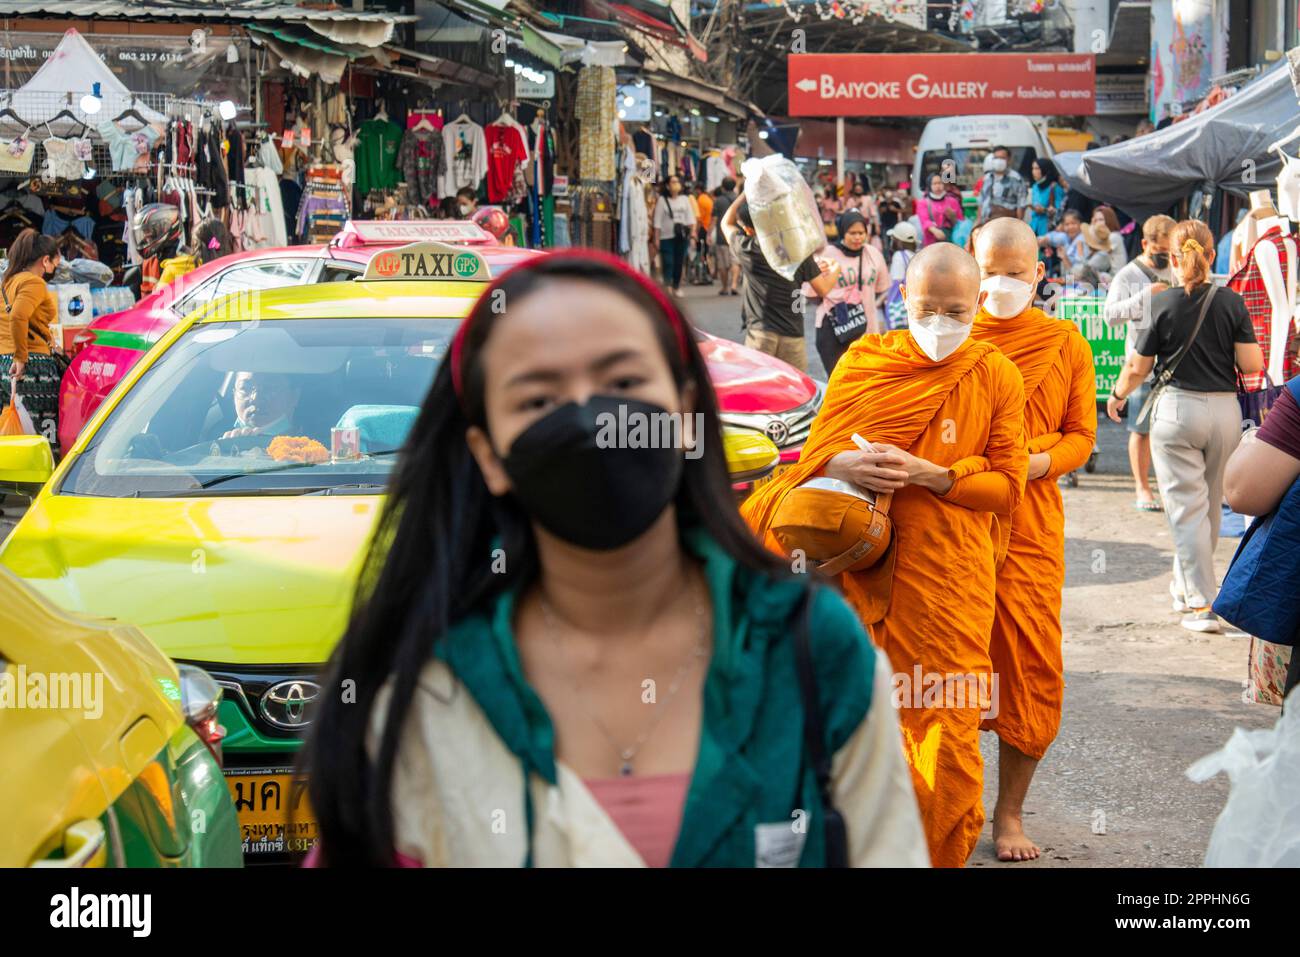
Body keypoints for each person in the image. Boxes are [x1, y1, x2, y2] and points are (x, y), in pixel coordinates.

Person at [303, 251, 930, 867]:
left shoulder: (811, 649)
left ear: (686, 414)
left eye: (625, 383)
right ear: (488, 454)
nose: (594, 420)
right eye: (538, 400)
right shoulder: (424, 688)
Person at [743, 242, 1029, 867]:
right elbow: (812, 456)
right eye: (927, 308)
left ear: (977, 305)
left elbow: (1007, 488)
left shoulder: (994, 374)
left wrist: (935, 475)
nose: (940, 324)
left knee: (945, 727)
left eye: (956, 310)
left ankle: (935, 853)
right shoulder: (864, 360)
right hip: (853, 565)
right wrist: (844, 461)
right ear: (904, 300)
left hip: (947, 581)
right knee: (856, 720)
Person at [967, 218, 1097, 862]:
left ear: (1039, 275)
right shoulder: (948, 333)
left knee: (1030, 668)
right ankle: (951, 800)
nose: (1002, 284)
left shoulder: (1064, 342)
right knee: (945, 663)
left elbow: (1082, 436)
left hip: (1029, 529)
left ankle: (1009, 813)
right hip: (955, 524)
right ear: (971, 266)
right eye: (991, 271)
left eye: (1016, 273)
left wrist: (1034, 462)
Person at [1107, 220, 1265, 633]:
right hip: (1226, 413)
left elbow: (1136, 367)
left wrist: (1118, 394)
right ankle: (1184, 587)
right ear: (1212, 256)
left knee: (1186, 510)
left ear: (1173, 260)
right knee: (1209, 507)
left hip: (1176, 413)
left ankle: (1202, 604)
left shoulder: (1161, 304)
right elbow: (1252, 365)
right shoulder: (1232, 302)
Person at [1104, 214, 1175, 511]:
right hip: (1141, 360)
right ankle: (1142, 487)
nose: (1164, 258)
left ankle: (1169, 485)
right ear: (1145, 244)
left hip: (1174, 360)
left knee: (1172, 426)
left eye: (1169, 253)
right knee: (1141, 427)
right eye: (1159, 252)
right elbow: (1110, 317)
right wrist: (1146, 296)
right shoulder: (1128, 275)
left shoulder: (1177, 267)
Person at [720, 197, 837, 371]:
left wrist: (746, 191)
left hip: (760, 333)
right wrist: (836, 269)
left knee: (760, 388)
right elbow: (823, 289)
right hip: (793, 334)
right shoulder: (799, 249)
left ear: (748, 229)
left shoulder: (749, 248)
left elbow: (725, 223)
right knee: (795, 392)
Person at [808, 209, 891, 372]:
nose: (857, 237)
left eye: (861, 232)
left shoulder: (873, 253)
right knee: (838, 379)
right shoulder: (828, 254)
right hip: (833, 328)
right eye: (852, 233)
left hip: (866, 328)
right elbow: (811, 293)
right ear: (842, 231)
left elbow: (882, 287)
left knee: (863, 380)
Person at [0, 229, 62, 447]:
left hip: (4, 364)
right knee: (44, 435)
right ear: (45, 260)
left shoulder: (8, 282)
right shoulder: (33, 282)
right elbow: (18, 315)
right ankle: (50, 478)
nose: (53, 270)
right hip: (31, 366)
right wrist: (20, 357)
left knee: (18, 435)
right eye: (54, 264)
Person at [220, 371, 301, 439]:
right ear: (234, 394)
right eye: (244, 388)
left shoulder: (309, 453)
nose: (255, 399)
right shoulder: (216, 445)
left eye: (270, 388)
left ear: (294, 397)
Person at [652, 175, 696, 299]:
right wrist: (656, 238)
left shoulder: (684, 199)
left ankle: (676, 286)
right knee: (668, 262)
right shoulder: (662, 200)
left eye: (677, 182)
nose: (676, 184)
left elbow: (690, 218)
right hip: (665, 237)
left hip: (681, 237)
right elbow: (657, 221)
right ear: (667, 185)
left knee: (679, 262)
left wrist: (693, 235)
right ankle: (668, 287)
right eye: (673, 182)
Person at [978, 145, 1028, 223]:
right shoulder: (987, 178)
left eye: (1002, 158)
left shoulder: (1016, 179)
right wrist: (978, 222)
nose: (998, 161)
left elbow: (1021, 204)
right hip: (987, 223)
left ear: (1009, 160)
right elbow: (981, 201)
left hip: (1007, 223)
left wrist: (1018, 224)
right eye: (996, 158)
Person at [916, 174, 963, 247]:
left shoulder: (952, 201)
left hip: (951, 241)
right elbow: (924, 221)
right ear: (929, 186)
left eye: (940, 183)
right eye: (934, 184)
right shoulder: (923, 203)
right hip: (932, 242)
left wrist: (953, 217)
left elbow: (960, 222)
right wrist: (934, 230)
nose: (938, 186)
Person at [711, 178, 739, 296]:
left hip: (721, 236)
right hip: (737, 235)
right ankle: (734, 285)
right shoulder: (739, 198)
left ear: (722, 187)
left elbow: (714, 219)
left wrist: (709, 233)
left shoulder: (718, 201)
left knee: (722, 263)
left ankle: (724, 287)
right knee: (735, 261)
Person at [1025, 157, 1064, 238]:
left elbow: (1061, 211)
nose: (1033, 172)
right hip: (1034, 227)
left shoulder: (1055, 187)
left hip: (1047, 229)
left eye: (1037, 169)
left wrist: (1045, 210)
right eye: (1033, 168)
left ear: (1045, 169)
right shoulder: (1035, 186)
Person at [1090, 206, 1129, 275]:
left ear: (1109, 220)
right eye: (1095, 221)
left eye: (1101, 220)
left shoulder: (1113, 237)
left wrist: (1092, 230)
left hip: (1115, 280)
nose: (1097, 223)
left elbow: (1093, 263)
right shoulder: (1101, 238)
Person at [694, 182, 714, 280]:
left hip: (703, 228)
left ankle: (703, 271)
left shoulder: (700, 200)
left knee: (700, 251)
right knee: (706, 251)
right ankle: (707, 271)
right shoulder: (709, 199)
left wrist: (695, 232)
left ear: (698, 190)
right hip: (708, 227)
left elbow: (699, 218)